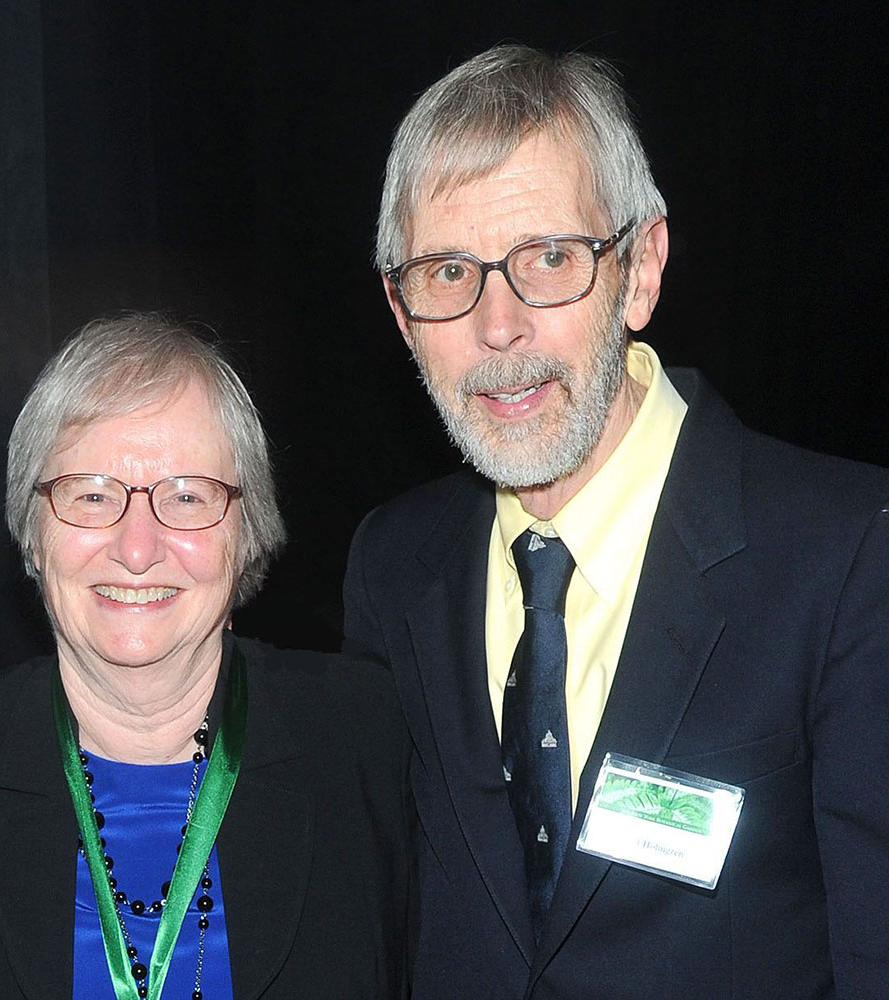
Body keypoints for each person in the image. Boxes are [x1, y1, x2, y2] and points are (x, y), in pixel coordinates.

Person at [343, 44, 889, 999]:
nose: (498, 326)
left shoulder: (847, 555)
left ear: (640, 269)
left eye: (550, 259)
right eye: (446, 273)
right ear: (400, 313)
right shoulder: (391, 567)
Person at [0, 313, 412, 999]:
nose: (137, 550)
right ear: (32, 527)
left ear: (247, 532)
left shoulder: (371, 739)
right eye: (93, 495)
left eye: (188, 497)